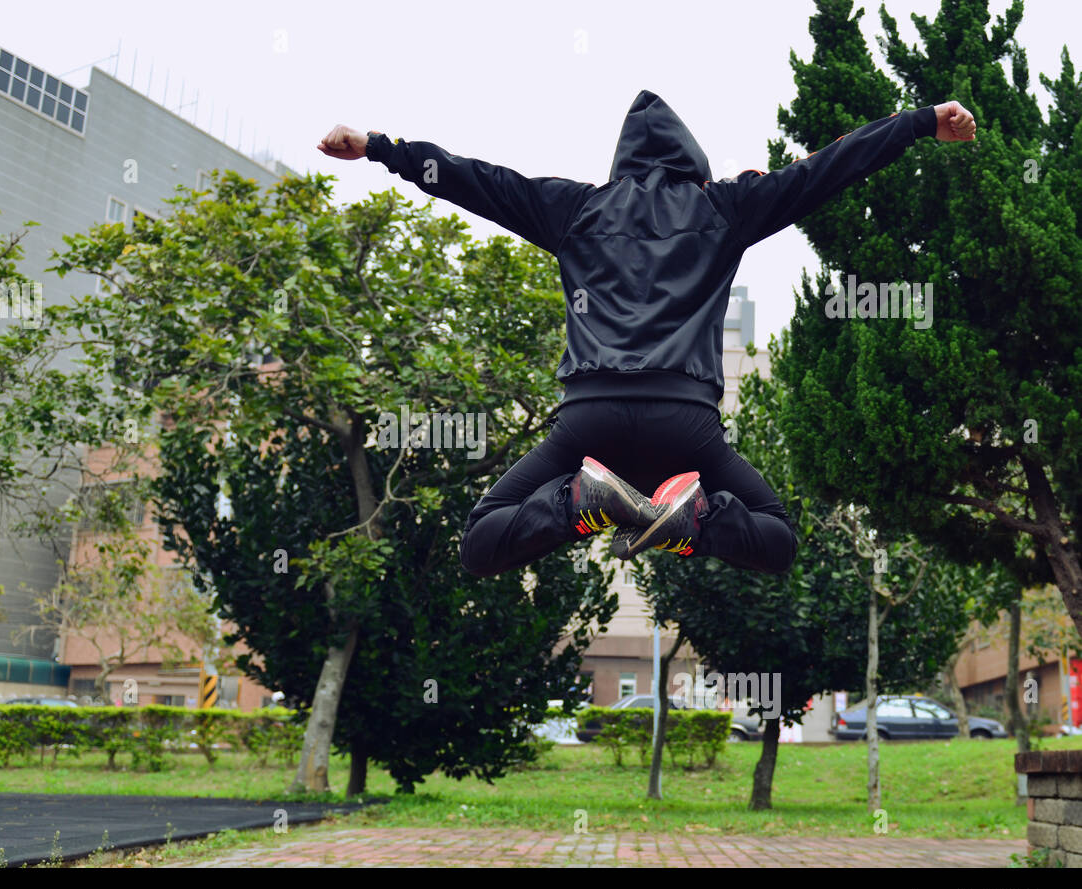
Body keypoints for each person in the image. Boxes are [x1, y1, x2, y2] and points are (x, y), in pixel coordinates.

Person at [317, 92, 976, 578]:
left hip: (589, 420)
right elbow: (825, 172)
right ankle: (692, 521)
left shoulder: (574, 207)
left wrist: (380, 149)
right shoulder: (724, 208)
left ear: (621, 162)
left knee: (480, 539)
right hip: (683, 421)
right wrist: (919, 123)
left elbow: (476, 181)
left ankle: (580, 502)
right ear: (694, 164)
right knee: (776, 539)